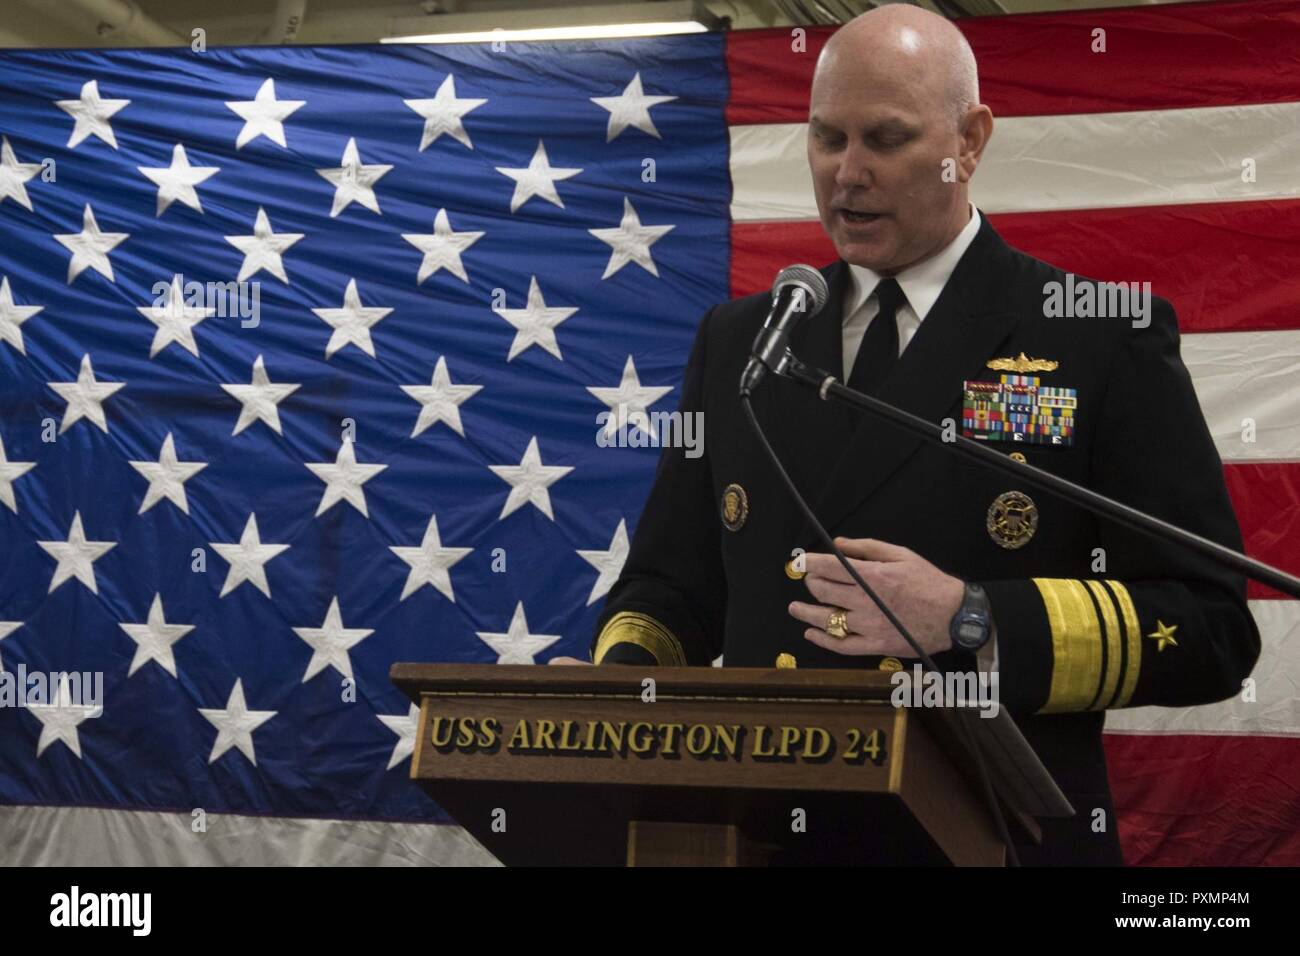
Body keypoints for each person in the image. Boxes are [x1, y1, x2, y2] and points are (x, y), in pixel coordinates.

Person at [552, 4, 1260, 865]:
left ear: (971, 139)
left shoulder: (1097, 335)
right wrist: (618, 692)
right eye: (825, 138)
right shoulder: (742, 341)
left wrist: (973, 619)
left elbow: (1212, 630)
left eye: (884, 139)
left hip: (992, 842)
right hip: (765, 838)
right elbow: (673, 587)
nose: (846, 174)